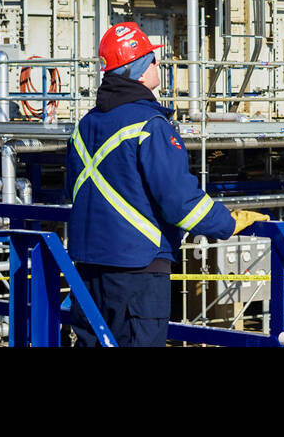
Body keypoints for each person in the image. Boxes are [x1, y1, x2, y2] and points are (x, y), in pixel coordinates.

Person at [66, 21, 267, 346]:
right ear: (140, 69)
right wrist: (227, 223)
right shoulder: (151, 126)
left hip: (87, 267)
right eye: (153, 59)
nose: (159, 64)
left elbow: (74, 192)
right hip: (138, 269)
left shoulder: (84, 125)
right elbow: (180, 203)